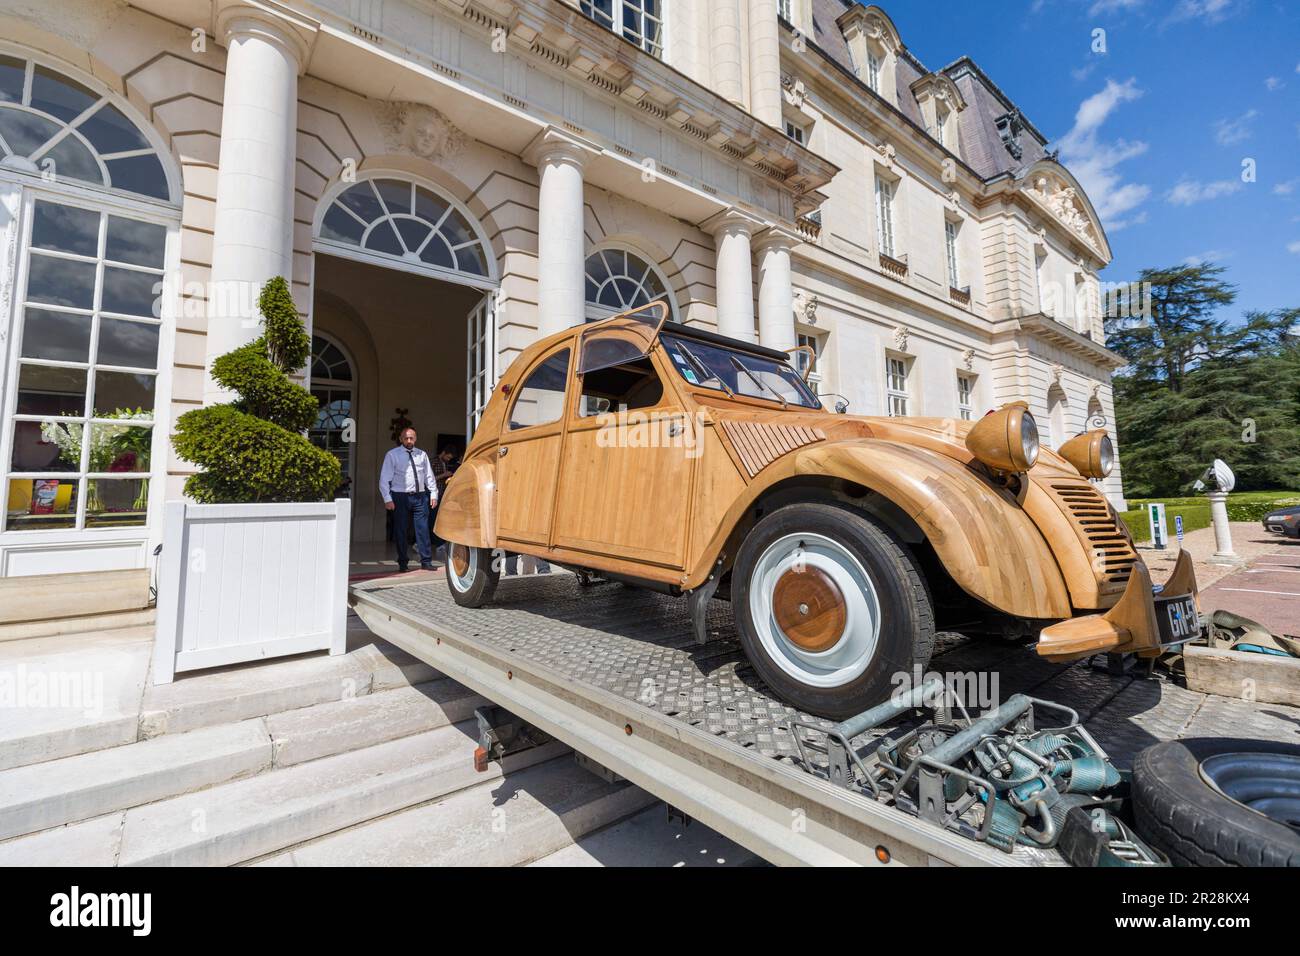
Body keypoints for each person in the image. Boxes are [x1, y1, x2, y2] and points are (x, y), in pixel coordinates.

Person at [379, 427, 438, 572]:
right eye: (406, 438)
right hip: (400, 496)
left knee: (423, 529)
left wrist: (433, 494)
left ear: (415, 438)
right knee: (401, 530)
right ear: (401, 439)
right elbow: (384, 479)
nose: (409, 441)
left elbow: (428, 475)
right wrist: (387, 498)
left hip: (420, 496)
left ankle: (426, 561)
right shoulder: (392, 455)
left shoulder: (422, 454)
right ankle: (403, 563)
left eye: (411, 438)